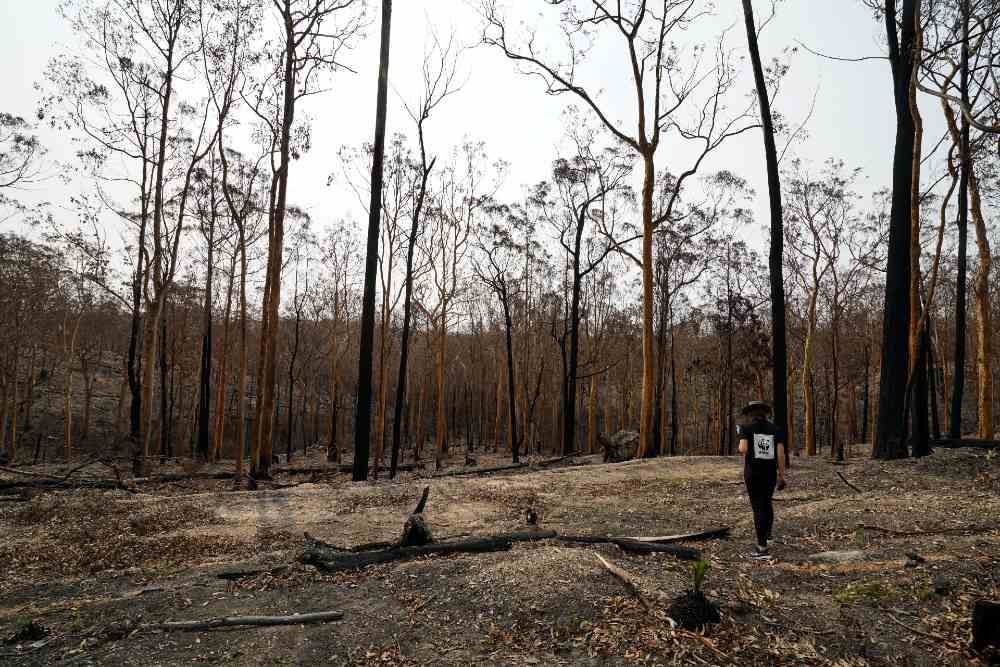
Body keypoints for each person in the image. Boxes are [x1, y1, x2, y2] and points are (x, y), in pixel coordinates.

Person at [737, 400, 786, 556]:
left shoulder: (746, 428)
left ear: (751, 413)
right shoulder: (775, 429)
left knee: (758, 507)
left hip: (753, 474)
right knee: (767, 503)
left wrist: (741, 441)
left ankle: (762, 547)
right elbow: (781, 454)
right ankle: (768, 535)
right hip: (770, 473)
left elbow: (743, 448)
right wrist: (782, 475)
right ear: (765, 413)